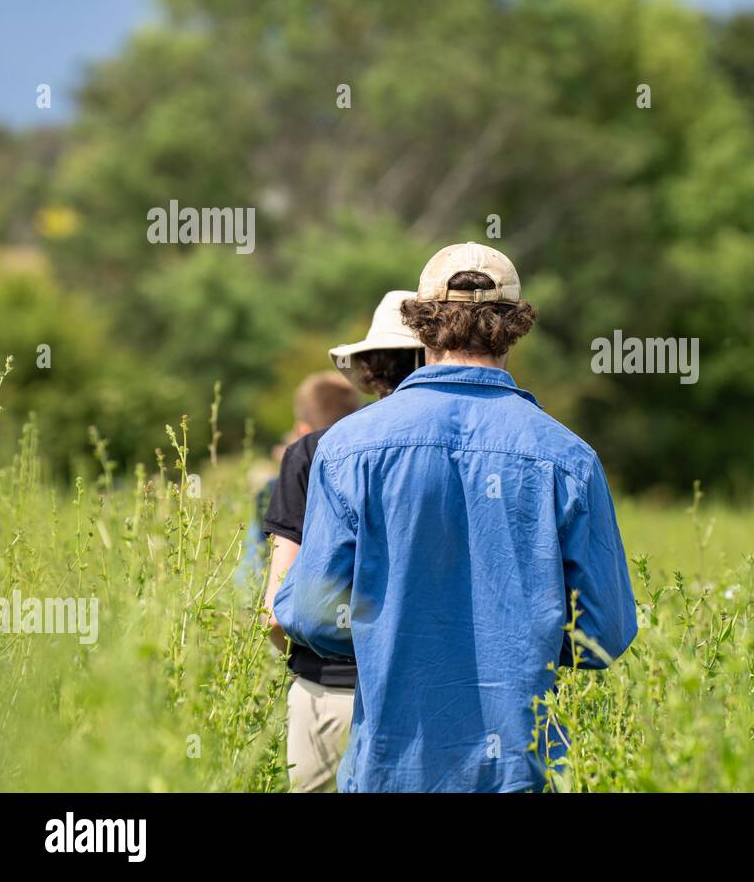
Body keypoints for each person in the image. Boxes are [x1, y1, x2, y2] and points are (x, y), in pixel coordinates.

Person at [274, 242, 637, 792]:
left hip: (390, 768)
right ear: (515, 327)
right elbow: (605, 632)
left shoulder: (349, 448)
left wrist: (394, 628)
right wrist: (523, 636)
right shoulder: (568, 458)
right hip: (517, 770)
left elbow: (310, 613)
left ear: (421, 326)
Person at [261, 291, 423, 792]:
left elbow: (276, 608)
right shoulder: (456, 453)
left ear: (369, 367)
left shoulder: (313, 452)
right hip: (424, 701)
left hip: (327, 687)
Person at [238, 373, 362, 594]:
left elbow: (250, 573)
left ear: (301, 430)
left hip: (293, 611)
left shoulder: (271, 491)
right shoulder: (365, 478)